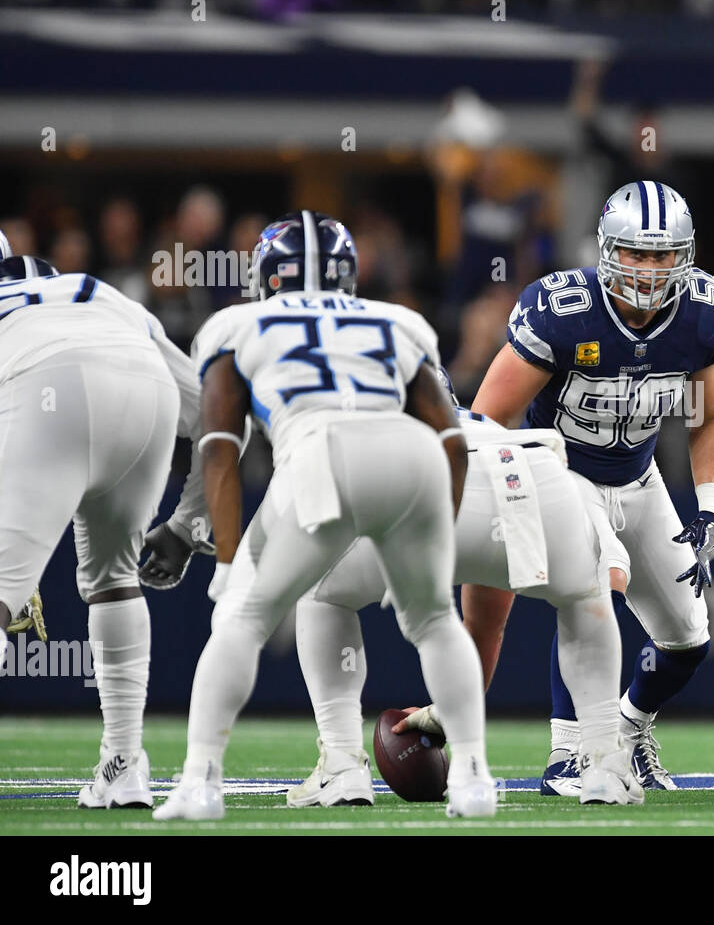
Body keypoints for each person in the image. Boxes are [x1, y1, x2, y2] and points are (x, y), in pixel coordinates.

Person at [153, 211, 495, 820]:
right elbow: (451, 438)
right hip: (409, 458)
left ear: (267, 277)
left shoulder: (237, 324)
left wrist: (229, 558)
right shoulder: (399, 321)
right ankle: (472, 780)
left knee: (241, 618)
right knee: (438, 623)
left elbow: (220, 449)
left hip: (318, 458)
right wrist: (432, 534)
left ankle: (201, 783)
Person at [461, 180, 714, 795]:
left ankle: (629, 726)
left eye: (662, 254)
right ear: (608, 250)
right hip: (561, 472)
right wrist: (502, 495)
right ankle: (571, 754)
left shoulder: (705, 314)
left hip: (639, 477)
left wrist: (711, 509)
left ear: (684, 255)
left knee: (689, 639)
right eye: (636, 253)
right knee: (597, 583)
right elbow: (485, 416)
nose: (648, 268)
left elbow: (710, 420)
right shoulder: (564, 311)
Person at [0, 234, 199, 810]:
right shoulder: (94, 290)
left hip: (46, 387)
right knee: (115, 580)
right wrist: (188, 525)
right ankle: (123, 763)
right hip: (146, 390)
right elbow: (216, 415)